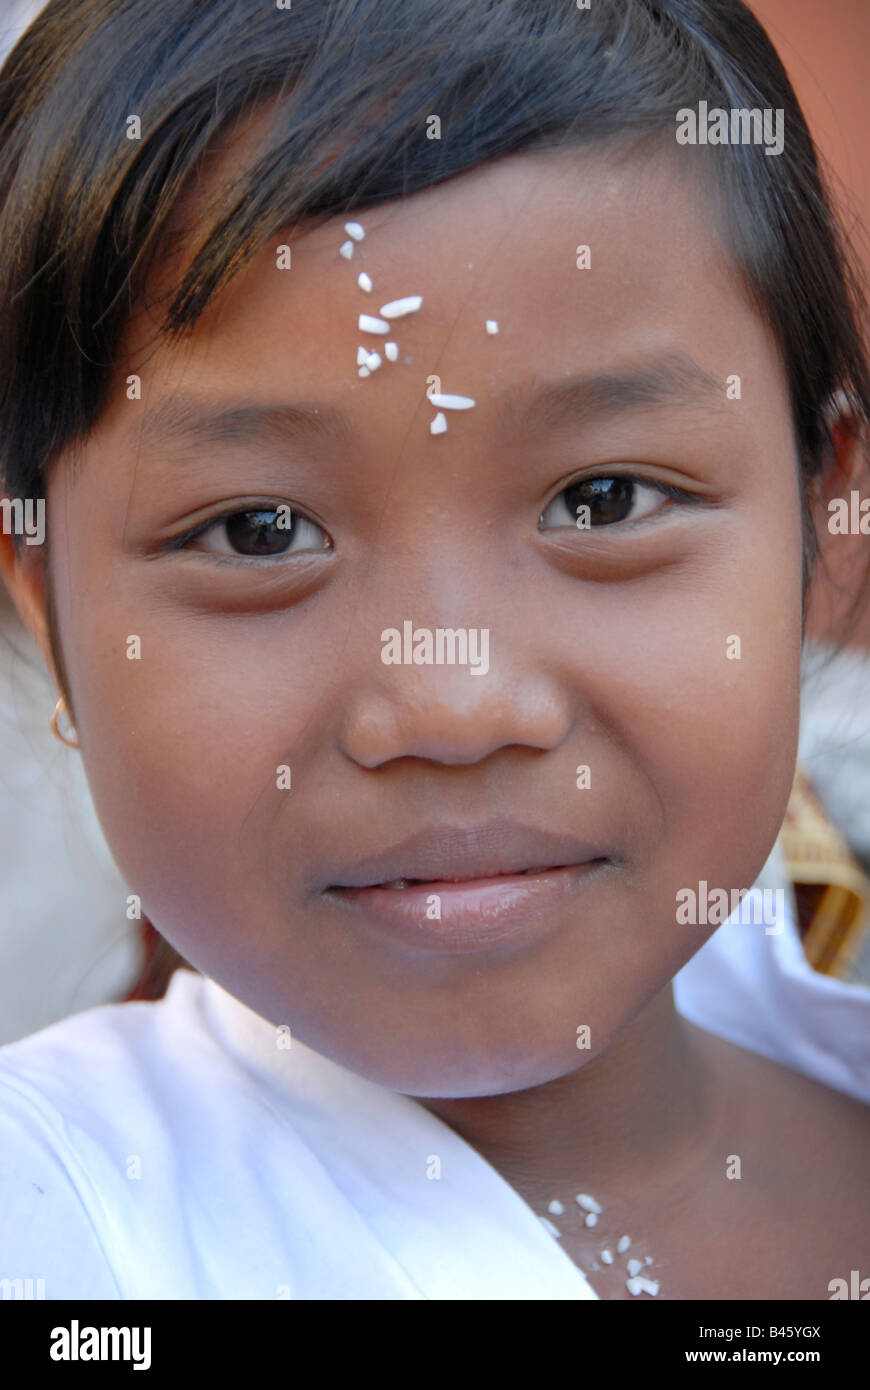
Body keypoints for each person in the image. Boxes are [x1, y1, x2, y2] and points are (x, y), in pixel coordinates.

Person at [0, 0, 868, 1301]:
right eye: (258, 528)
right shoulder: (62, 1222)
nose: (453, 703)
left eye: (603, 500)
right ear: (45, 601)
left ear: (821, 519)